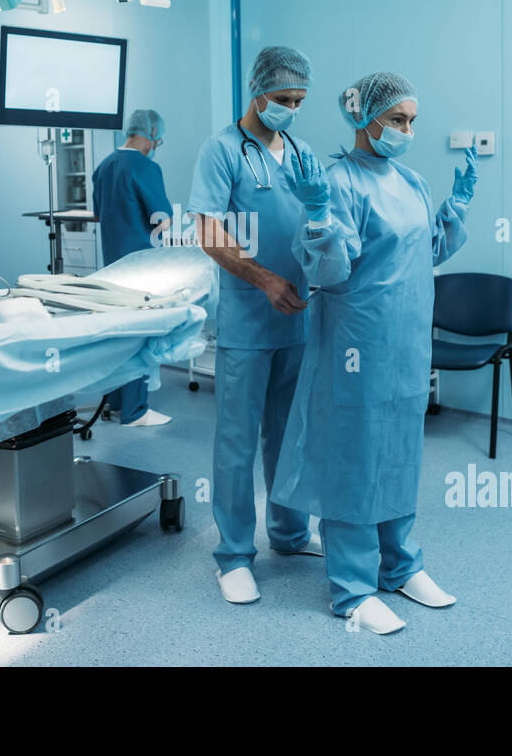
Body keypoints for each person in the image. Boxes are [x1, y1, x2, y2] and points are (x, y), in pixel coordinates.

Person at [271, 71, 479, 635]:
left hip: (407, 344)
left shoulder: (411, 180)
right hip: (356, 345)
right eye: (398, 119)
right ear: (364, 118)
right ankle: (352, 588)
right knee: (356, 461)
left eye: (412, 120)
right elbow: (328, 269)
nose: (407, 129)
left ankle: (401, 565)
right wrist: (317, 217)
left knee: (400, 454)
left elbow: (427, 250)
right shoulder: (339, 182)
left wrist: (455, 206)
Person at [188, 46, 322, 606]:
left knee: (291, 436)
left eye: (299, 102)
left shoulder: (300, 150)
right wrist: (265, 280)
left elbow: (320, 214)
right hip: (248, 315)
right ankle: (235, 555)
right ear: (258, 92)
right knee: (238, 441)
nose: (291, 110)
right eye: (284, 100)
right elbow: (209, 232)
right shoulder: (221, 152)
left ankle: (290, 534)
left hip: (299, 315)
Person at [91, 108, 173, 427]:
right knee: (140, 337)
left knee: (119, 338)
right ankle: (135, 411)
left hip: (113, 267)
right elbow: (162, 220)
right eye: (158, 139)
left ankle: (113, 403)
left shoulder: (104, 166)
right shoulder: (145, 167)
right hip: (142, 267)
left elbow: (100, 216)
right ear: (151, 136)